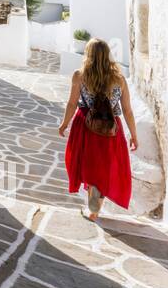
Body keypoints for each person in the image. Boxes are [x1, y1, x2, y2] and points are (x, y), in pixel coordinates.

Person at [58, 38, 138, 221]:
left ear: (89, 54)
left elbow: (72, 104)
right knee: (102, 169)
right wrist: (133, 135)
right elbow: (127, 110)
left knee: (89, 167)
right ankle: (94, 210)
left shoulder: (80, 76)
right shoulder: (119, 79)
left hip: (85, 127)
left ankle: (93, 210)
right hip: (110, 129)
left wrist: (64, 124)